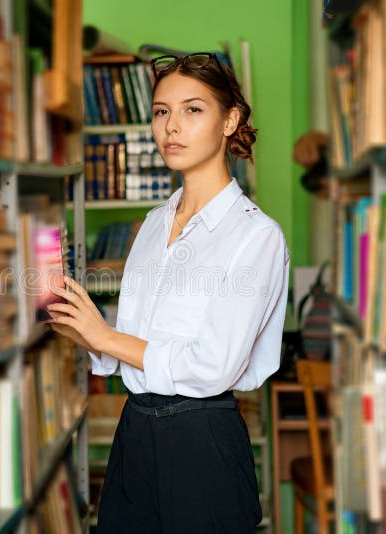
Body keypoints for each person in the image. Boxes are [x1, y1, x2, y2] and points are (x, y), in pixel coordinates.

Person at [44, 52, 291, 533]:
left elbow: (213, 366)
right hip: (134, 430)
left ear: (230, 120)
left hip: (203, 442)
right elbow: (135, 341)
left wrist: (107, 338)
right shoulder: (155, 223)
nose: (171, 127)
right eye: (161, 111)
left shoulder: (257, 237)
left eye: (192, 110)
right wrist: (82, 328)